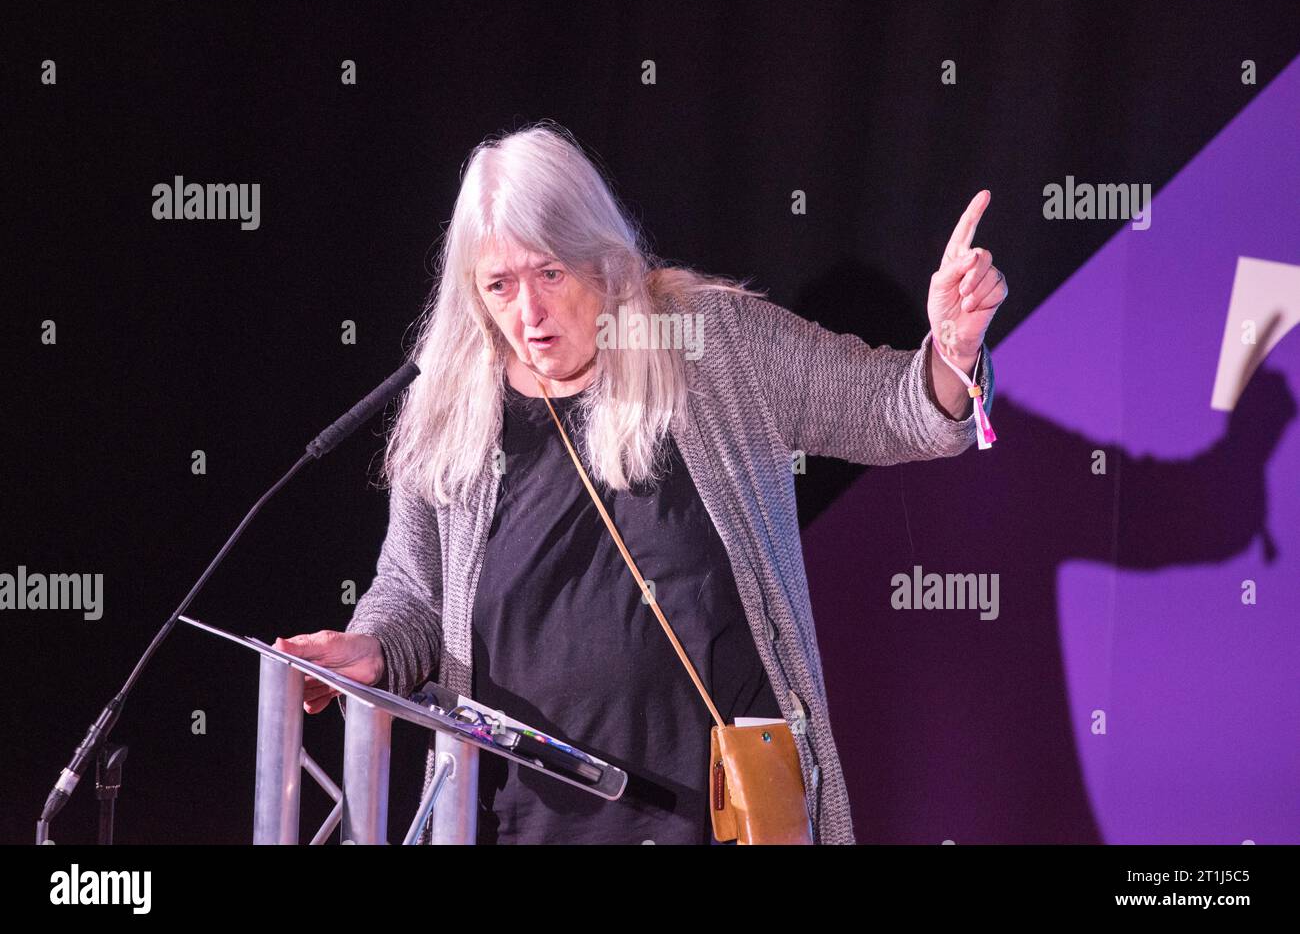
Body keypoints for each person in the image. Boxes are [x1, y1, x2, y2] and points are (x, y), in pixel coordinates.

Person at [274, 120, 1006, 844]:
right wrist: (369, 645)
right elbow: (412, 591)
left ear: (600, 256)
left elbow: (887, 408)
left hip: (715, 822)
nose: (527, 314)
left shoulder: (708, 346)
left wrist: (948, 351)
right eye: (499, 284)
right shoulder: (452, 406)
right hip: (520, 823)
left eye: (550, 274)